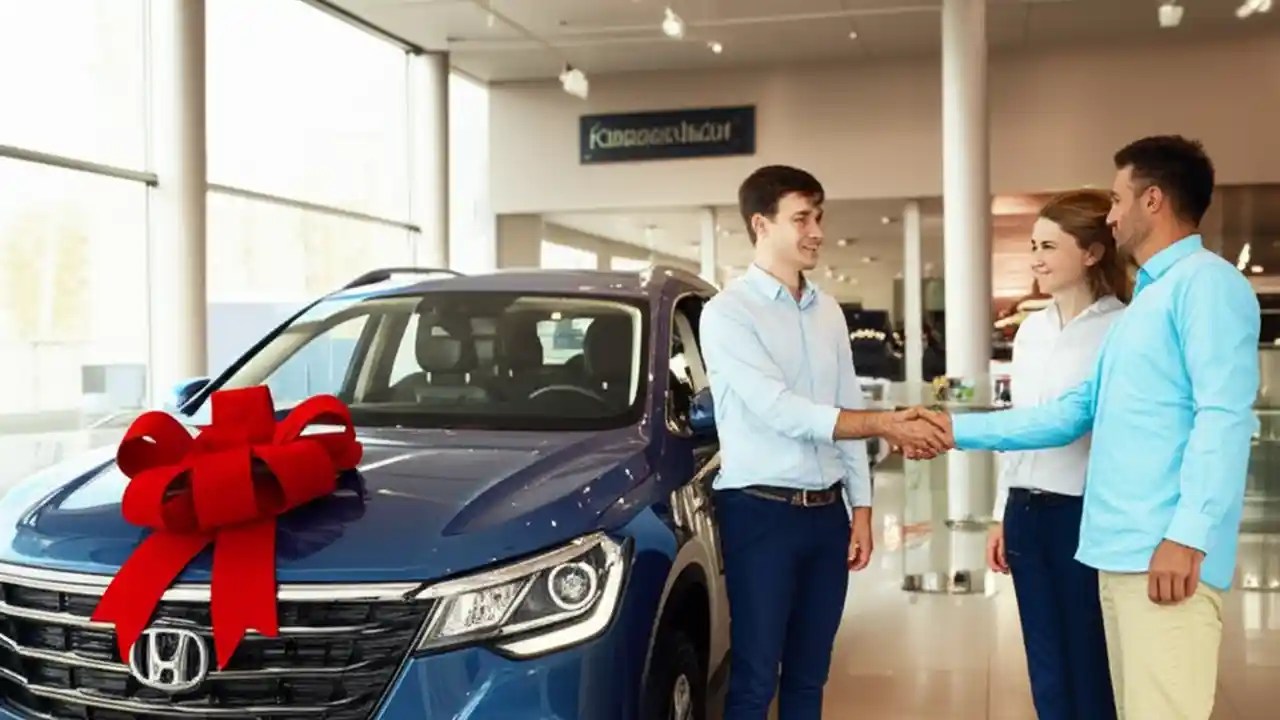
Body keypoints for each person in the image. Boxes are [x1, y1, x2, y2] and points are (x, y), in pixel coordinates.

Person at [929, 135, 1260, 720]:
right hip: (1118, 552)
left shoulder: (1207, 284)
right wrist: (951, 429)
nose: (1110, 215)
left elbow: (1225, 416)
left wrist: (1188, 536)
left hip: (1163, 553)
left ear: (1152, 200)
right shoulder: (1148, 305)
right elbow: (1072, 413)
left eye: (1117, 198)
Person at [699, 165, 949, 720]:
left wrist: (861, 507)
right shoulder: (727, 314)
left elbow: (845, 405)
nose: (816, 231)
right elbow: (779, 411)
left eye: (819, 218)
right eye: (802, 219)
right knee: (755, 678)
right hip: (759, 513)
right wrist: (884, 424)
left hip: (826, 515)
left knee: (812, 675)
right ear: (761, 224)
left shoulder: (828, 310)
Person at [987, 189, 1128, 720]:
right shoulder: (1029, 332)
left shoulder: (1122, 329)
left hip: (1086, 514)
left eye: (1049, 245)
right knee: (1044, 663)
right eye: (1032, 246)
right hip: (1026, 512)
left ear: (1092, 252)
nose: (1036, 258)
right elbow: (1021, 428)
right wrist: (1001, 510)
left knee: (1092, 663)